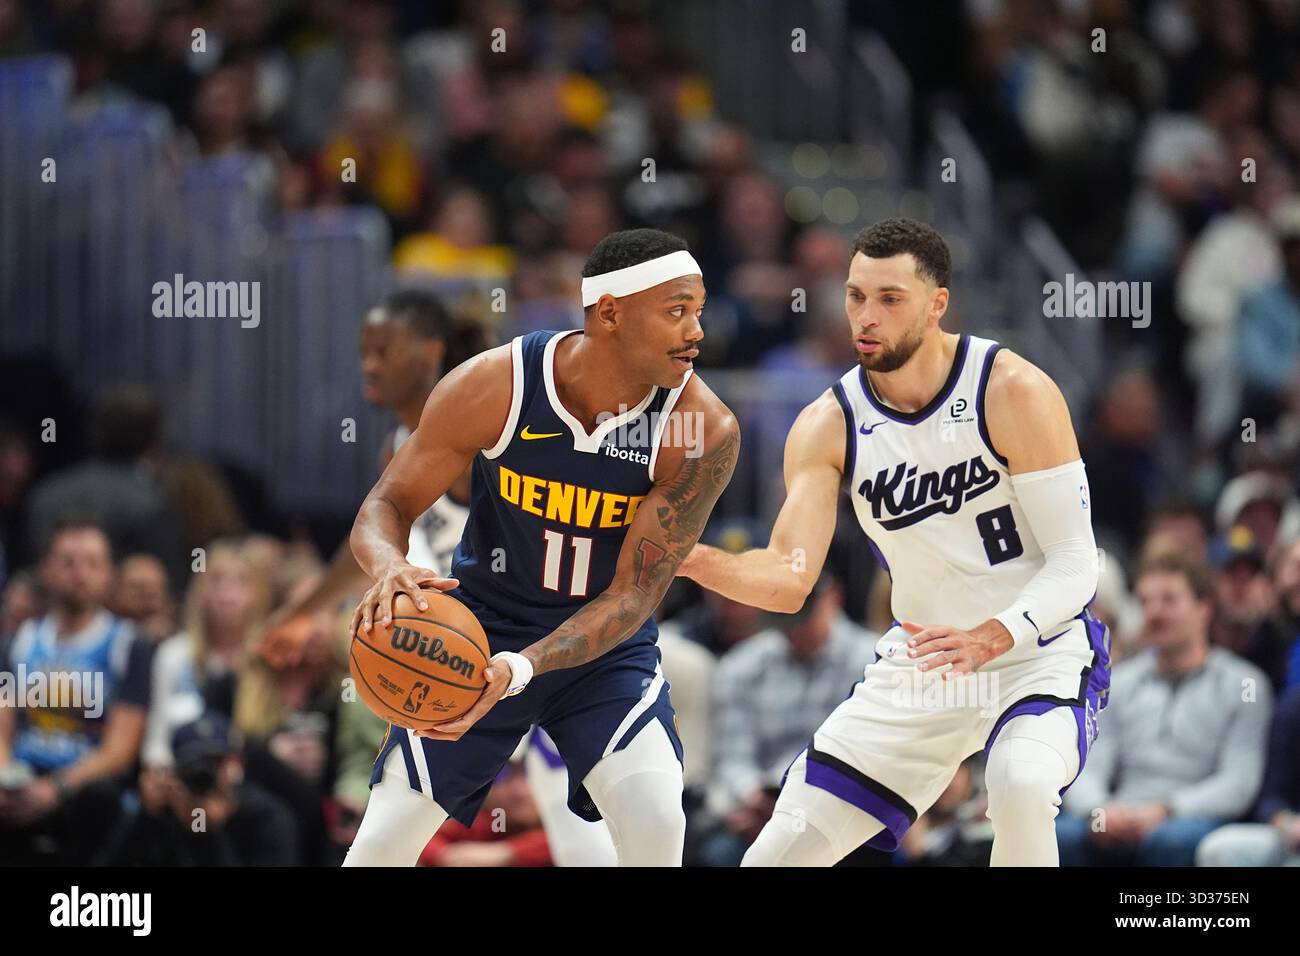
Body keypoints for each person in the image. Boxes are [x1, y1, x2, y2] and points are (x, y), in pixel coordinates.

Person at [679, 217, 1109, 866]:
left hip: (1034, 651)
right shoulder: (828, 424)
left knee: (1020, 787)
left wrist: (991, 636)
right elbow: (788, 576)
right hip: (924, 660)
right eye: (855, 296)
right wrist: (681, 556)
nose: (865, 317)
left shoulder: (1012, 389)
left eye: (889, 298)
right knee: (777, 855)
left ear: (937, 305)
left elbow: (1079, 563)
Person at [344, 228, 739, 867]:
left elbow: (635, 596)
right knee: (379, 846)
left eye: (698, 309)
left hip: (604, 648)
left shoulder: (701, 429)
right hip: (479, 631)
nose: (696, 330)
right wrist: (391, 567)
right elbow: (384, 506)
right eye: (676, 310)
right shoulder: (496, 384)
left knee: (659, 824)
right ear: (609, 312)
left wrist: (525, 669)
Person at [261, 288, 619, 864]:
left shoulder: (479, 433)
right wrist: (303, 611)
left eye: (383, 350)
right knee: (389, 832)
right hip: (455, 656)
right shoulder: (402, 446)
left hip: (525, 646)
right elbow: (377, 542)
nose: (369, 366)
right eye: (363, 352)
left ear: (429, 351)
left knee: (584, 837)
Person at [1057, 553, 1273, 866]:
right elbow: (1088, 765)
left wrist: (1167, 809)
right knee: (1057, 835)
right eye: (1146, 601)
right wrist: (1099, 808)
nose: (1154, 612)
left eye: (1169, 600)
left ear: (1204, 608)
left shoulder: (1244, 684)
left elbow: (1240, 782)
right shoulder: (1118, 681)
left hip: (1188, 816)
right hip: (1120, 813)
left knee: (1170, 842)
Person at [0, 518, 153, 864]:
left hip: (86, 787)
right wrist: (5, 778)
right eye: (68, 562)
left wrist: (57, 789)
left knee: (100, 800)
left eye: (92, 563)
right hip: (22, 776)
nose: (79, 573)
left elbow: (120, 751)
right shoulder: (20, 642)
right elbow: (2, 725)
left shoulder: (127, 645)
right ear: (46, 569)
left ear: (108, 574)